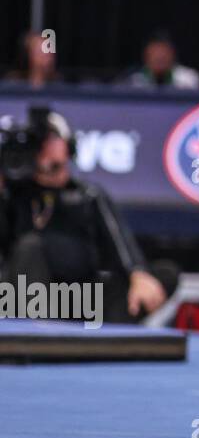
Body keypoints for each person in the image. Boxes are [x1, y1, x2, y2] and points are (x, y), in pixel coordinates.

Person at [0, 111, 168, 324]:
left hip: (81, 297)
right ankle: (36, 335)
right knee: (29, 247)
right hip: (25, 297)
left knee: (163, 275)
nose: (45, 148)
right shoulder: (13, 195)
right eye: (40, 142)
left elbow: (118, 239)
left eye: (51, 139)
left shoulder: (88, 195)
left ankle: (102, 337)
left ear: (68, 145)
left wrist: (137, 272)